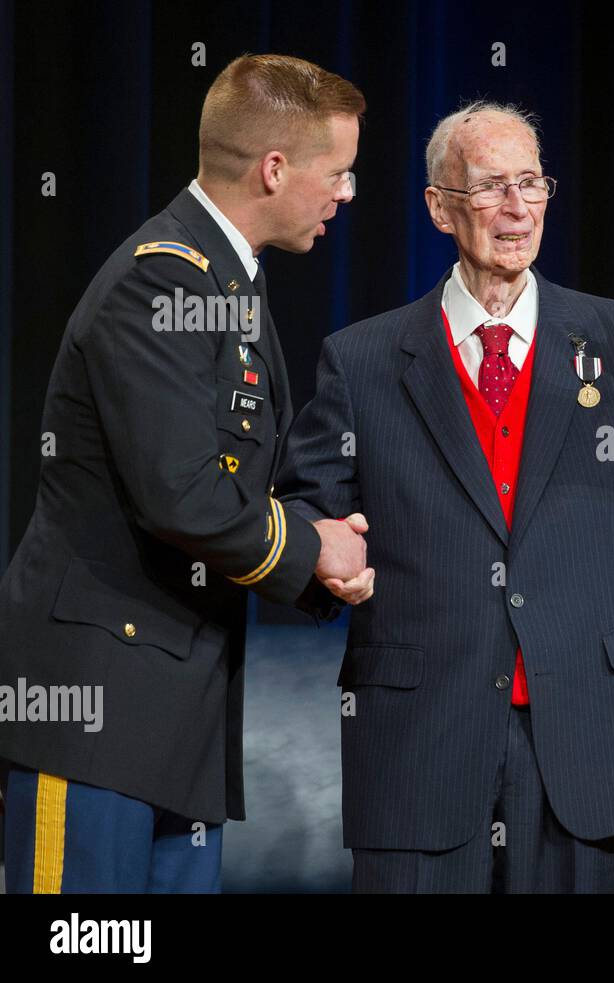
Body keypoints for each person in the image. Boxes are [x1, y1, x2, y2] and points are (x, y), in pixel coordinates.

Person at [275, 101, 614, 893]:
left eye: (531, 184)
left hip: (587, 738)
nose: (515, 208)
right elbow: (306, 513)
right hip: (424, 740)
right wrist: (322, 555)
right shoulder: (362, 360)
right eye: (489, 187)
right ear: (440, 207)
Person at [0, 54, 371, 894]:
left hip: (174, 719)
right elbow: (184, 494)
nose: (346, 194)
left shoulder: (224, 279)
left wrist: (323, 554)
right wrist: (313, 547)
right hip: (95, 713)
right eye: (338, 173)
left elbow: (232, 490)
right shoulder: (162, 278)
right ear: (274, 169)